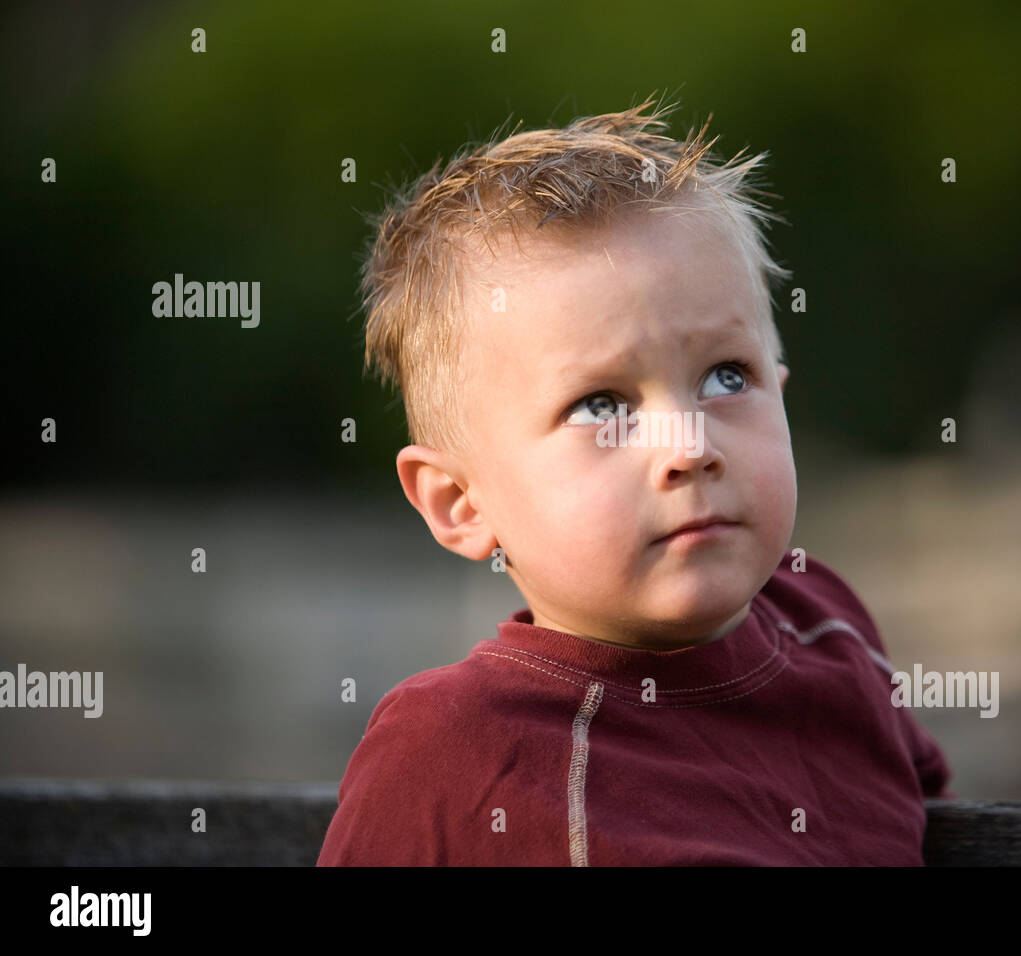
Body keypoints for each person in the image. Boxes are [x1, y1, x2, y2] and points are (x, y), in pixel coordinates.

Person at [317, 95, 953, 866]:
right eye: (601, 405)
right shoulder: (459, 751)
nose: (689, 448)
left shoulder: (828, 626)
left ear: (780, 395)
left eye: (726, 377)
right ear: (461, 503)